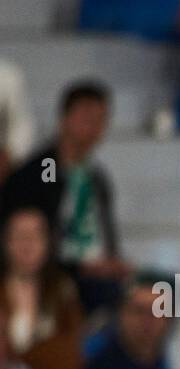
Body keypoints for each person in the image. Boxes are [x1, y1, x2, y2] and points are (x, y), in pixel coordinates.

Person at [0, 81, 131, 317]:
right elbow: (28, 236)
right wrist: (79, 265)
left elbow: (106, 234)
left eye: (101, 120)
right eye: (86, 118)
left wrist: (112, 261)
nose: (94, 127)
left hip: (96, 271)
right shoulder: (43, 169)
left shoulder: (97, 177)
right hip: (56, 272)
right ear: (64, 119)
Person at [0, 208, 84, 369]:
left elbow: (73, 352)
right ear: (6, 242)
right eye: (19, 236)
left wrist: (22, 363)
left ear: (48, 243)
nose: (27, 245)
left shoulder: (62, 290)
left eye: (35, 236)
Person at [83, 277, 172, 369]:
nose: (147, 320)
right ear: (122, 315)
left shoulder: (174, 367)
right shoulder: (93, 364)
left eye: (158, 313)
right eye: (139, 311)